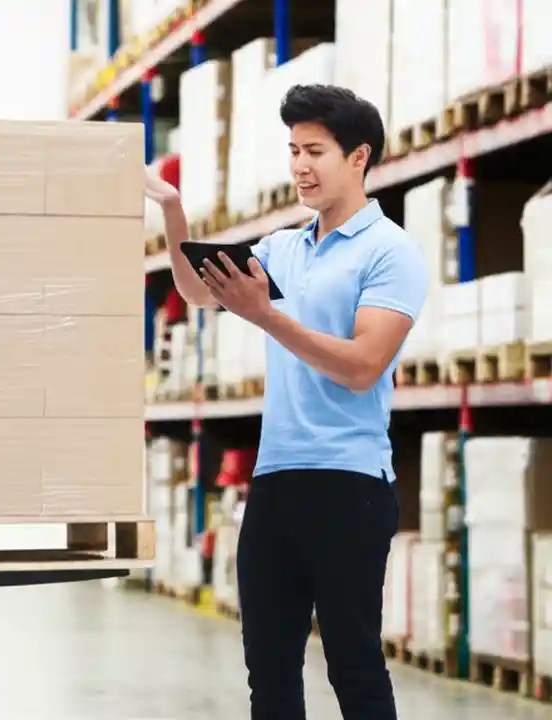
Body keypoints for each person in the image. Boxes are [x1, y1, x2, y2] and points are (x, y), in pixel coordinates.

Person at [145, 83, 428, 719]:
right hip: (276, 483)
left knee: (352, 664)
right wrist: (172, 211)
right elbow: (198, 291)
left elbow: (361, 367)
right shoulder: (283, 246)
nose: (301, 165)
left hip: (349, 483)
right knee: (268, 671)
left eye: (316, 151)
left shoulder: (391, 252)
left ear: (358, 158)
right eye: (294, 150)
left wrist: (265, 317)